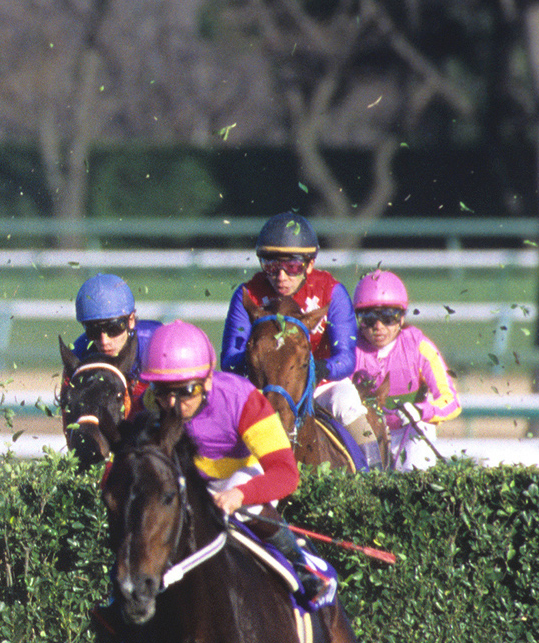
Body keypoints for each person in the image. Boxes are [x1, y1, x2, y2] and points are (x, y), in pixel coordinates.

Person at [141, 322, 332, 599]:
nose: (173, 404)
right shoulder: (149, 402)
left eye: (187, 391)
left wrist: (239, 494)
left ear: (207, 380)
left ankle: (301, 568)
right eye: (163, 391)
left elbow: (286, 474)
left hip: (242, 478)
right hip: (190, 481)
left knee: (245, 508)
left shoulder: (242, 399)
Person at [219, 212, 371, 454]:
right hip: (263, 388)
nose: (281, 277)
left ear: (310, 264)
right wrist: (260, 360)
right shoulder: (246, 295)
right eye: (271, 266)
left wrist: (317, 369)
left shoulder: (332, 293)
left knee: (348, 403)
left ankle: (373, 477)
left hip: (321, 385)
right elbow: (229, 360)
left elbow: (346, 359)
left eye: (292, 266)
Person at [350, 270, 462, 470]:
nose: (378, 326)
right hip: (365, 434)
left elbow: (452, 401)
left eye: (388, 317)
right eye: (368, 318)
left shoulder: (419, 347)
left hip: (410, 431)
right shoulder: (350, 349)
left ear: (401, 317)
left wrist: (421, 410)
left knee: (414, 465)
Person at [70, 273, 161, 375]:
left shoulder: (157, 347)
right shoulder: (78, 354)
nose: (104, 341)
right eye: (93, 331)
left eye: (113, 328)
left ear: (131, 321)